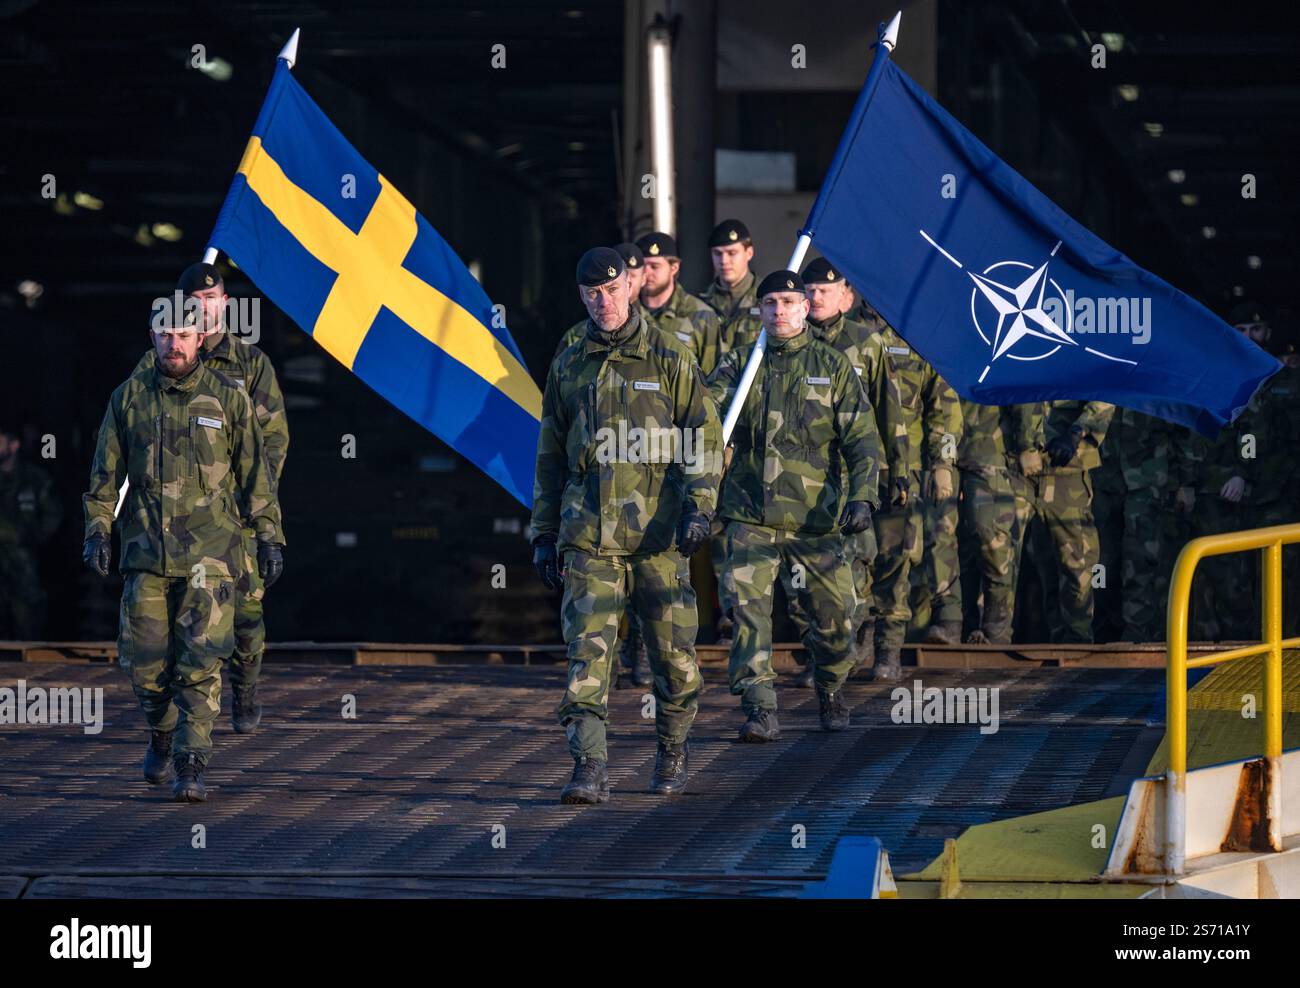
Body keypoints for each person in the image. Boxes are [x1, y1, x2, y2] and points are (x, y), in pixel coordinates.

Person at [531, 247, 721, 803]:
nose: (603, 301)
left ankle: (672, 749)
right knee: (587, 655)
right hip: (589, 536)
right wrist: (544, 533)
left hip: (659, 538)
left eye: (612, 290)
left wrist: (699, 507)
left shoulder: (668, 355)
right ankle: (589, 765)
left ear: (630, 289)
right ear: (581, 295)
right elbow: (549, 455)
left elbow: (703, 436)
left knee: (673, 656)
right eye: (592, 292)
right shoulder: (569, 361)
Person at [82, 302, 284, 802]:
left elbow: (257, 474)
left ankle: (192, 763)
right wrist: (97, 530)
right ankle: (162, 731)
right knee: (145, 666)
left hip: (211, 556)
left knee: (201, 664)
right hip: (145, 552)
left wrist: (269, 536)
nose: (175, 343)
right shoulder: (128, 399)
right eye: (166, 334)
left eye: (184, 335)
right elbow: (106, 476)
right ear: (152, 337)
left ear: (200, 340)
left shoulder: (228, 399)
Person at [707, 269, 881, 740]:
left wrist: (863, 496)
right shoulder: (739, 367)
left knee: (837, 620)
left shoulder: (833, 366)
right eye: (770, 304)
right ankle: (760, 708)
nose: (779, 311)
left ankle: (830, 686)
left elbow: (863, 440)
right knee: (746, 614)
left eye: (788, 302)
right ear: (758, 310)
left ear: (805, 308)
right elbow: (702, 426)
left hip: (814, 521)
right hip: (750, 516)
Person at [782, 257, 907, 687]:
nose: (816, 297)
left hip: (855, 476)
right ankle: (827, 651)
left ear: (845, 297)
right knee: (803, 577)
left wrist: (900, 471)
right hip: (802, 479)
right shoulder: (786, 343)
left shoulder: (866, 343)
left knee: (857, 565)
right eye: (810, 290)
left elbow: (890, 414)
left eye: (824, 290)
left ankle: (856, 646)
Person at [179, 261, 289, 732]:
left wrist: (255, 507)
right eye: (196, 302)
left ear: (225, 302)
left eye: (212, 300)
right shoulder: (172, 360)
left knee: (245, 616)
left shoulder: (251, 364)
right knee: (183, 620)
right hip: (182, 521)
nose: (205, 309)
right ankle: (186, 724)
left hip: (238, 519)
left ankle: (245, 690)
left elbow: (274, 441)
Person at [863, 318, 961, 680]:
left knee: (909, 554)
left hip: (909, 468)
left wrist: (943, 463)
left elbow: (944, 406)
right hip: (856, 469)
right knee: (858, 558)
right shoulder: (853, 334)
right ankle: (862, 637)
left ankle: (906, 638)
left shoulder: (919, 332)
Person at [1024, 401, 1114, 643]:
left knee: (1079, 563)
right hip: (1027, 469)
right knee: (1044, 564)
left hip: (1068, 469)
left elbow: (1103, 395)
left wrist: (1076, 432)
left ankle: (1080, 640)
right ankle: (1057, 640)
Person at [956, 401, 1042, 644]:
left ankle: (997, 629)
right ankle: (967, 628)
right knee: (961, 550)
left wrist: (1028, 444)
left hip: (996, 455)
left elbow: (1023, 385)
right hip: (958, 452)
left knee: (996, 543)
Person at [0, 421, 62, 639]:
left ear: (13, 445)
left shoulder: (35, 479)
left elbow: (52, 516)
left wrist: (29, 538)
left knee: (27, 624)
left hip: (26, 565)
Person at [635, 232, 722, 377]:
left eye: (654, 266)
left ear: (674, 268)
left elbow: (712, 377)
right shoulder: (625, 312)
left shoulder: (701, 316)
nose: (646, 273)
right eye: (642, 266)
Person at [697, 218, 763, 356]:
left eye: (732, 253)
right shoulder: (699, 304)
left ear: (749, 253)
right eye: (717, 253)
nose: (724, 261)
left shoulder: (768, 300)